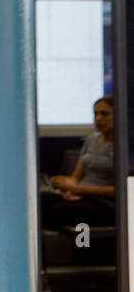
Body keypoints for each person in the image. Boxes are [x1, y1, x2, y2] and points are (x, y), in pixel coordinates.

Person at [41, 95, 116, 230]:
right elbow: (76, 177)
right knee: (40, 201)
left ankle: (83, 246)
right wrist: (71, 190)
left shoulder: (124, 145)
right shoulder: (91, 139)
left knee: (59, 212)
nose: (98, 118)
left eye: (104, 114)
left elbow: (120, 190)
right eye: (95, 114)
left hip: (106, 204)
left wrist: (78, 189)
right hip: (82, 195)